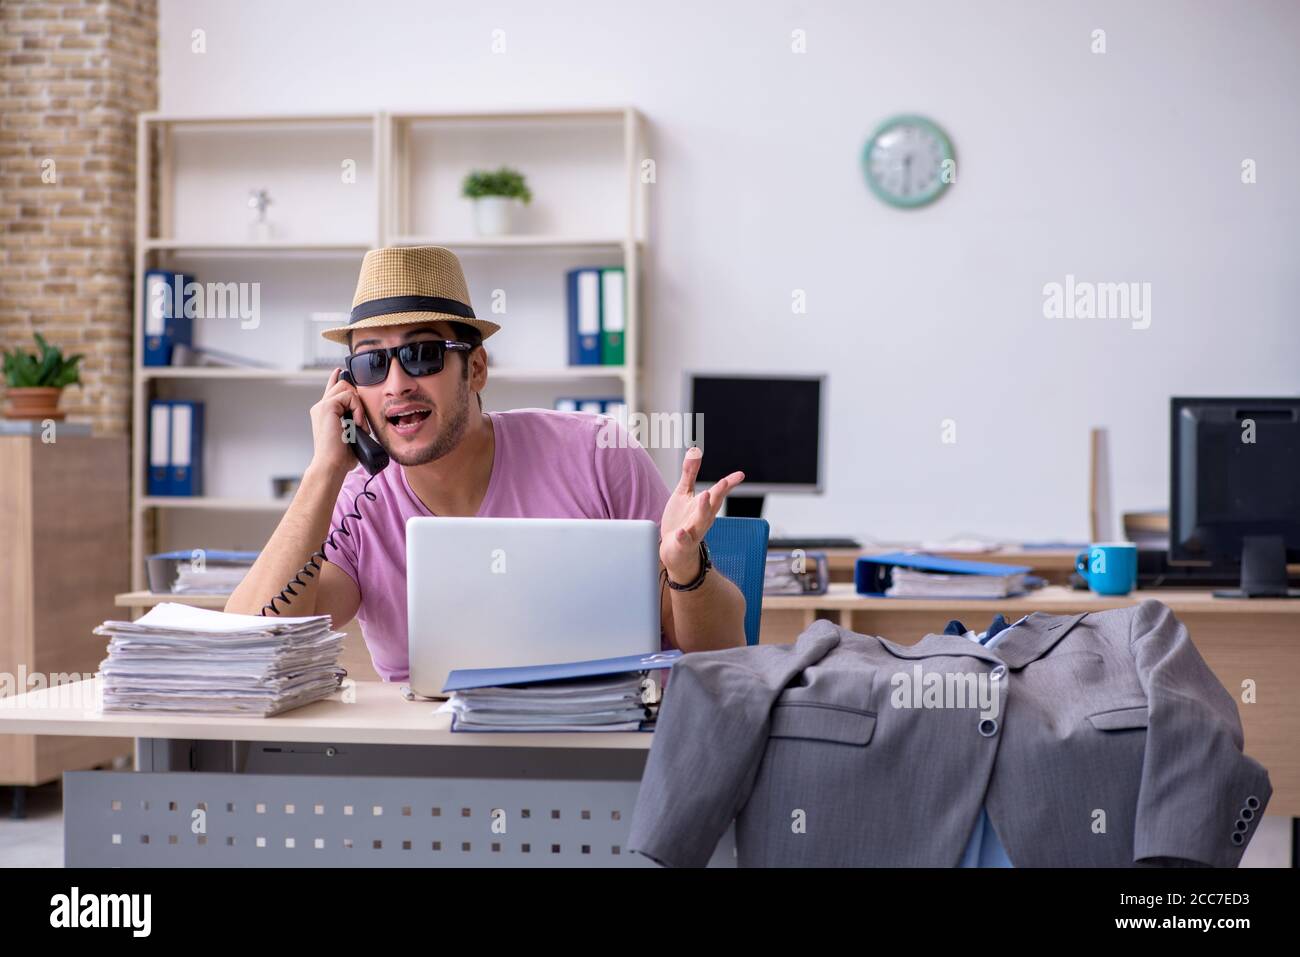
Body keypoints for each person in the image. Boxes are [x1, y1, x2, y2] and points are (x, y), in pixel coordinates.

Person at [226, 246, 748, 682]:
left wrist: (687, 568)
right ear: (348, 388)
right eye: (371, 362)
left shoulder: (596, 453)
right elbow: (250, 651)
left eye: (423, 354)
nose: (397, 383)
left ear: (475, 368)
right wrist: (324, 470)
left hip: (601, 749)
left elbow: (720, 653)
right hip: (432, 780)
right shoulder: (358, 500)